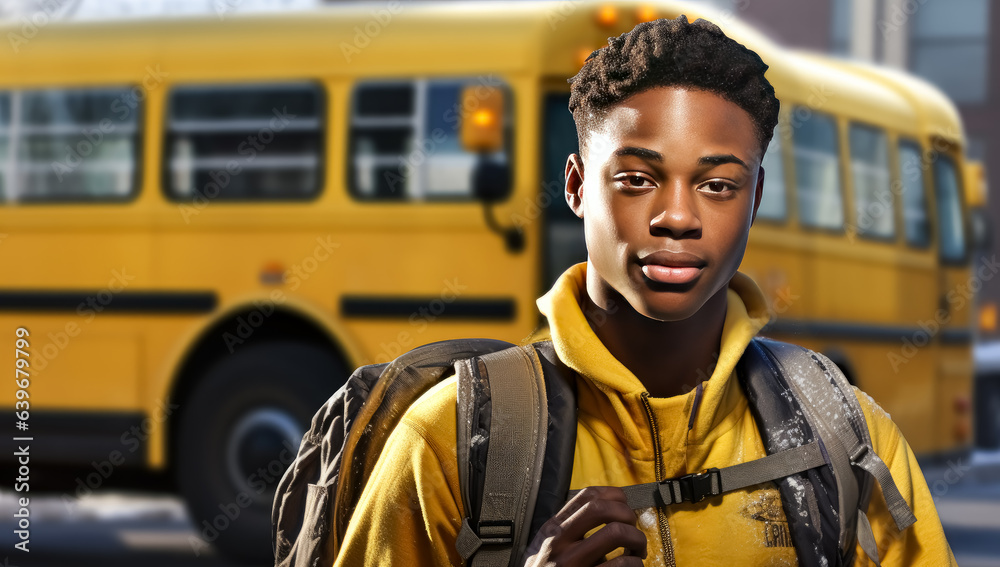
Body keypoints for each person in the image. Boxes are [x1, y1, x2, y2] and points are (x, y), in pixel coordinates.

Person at [332, 14, 957, 566]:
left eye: (718, 185)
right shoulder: (452, 442)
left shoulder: (848, 439)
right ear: (576, 187)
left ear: (756, 199)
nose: (677, 217)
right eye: (635, 178)